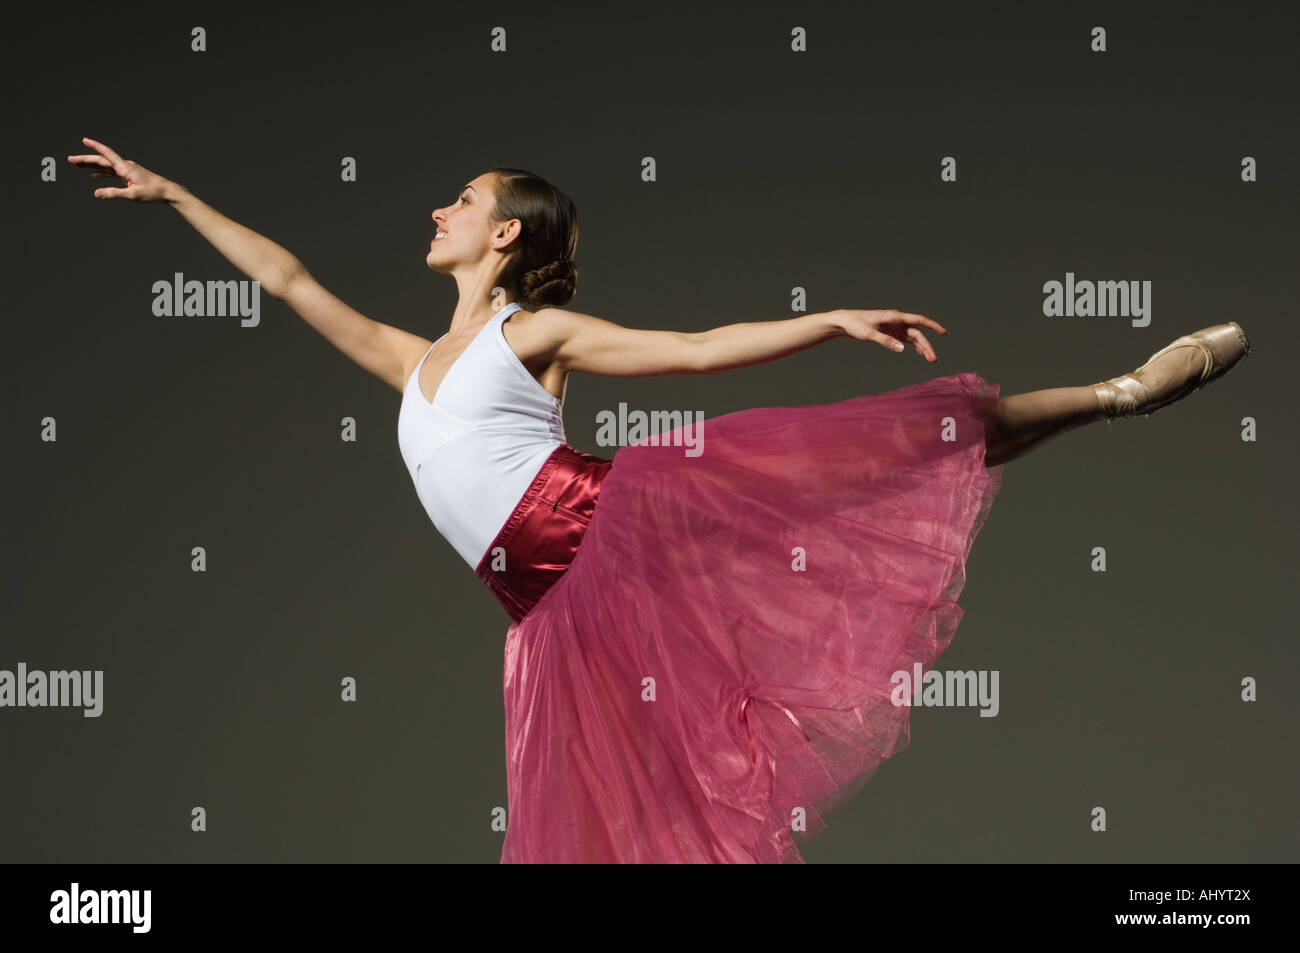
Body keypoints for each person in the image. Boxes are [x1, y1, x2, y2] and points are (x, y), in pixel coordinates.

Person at [70, 138, 1250, 863]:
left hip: (610, 520)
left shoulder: (529, 332)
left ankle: (1113, 388)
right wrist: (174, 195)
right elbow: (284, 276)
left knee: (877, 457)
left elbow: (688, 351)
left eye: (459, 199)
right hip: (546, 619)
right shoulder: (406, 359)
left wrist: (824, 318)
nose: (438, 212)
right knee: (640, 840)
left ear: (506, 230)